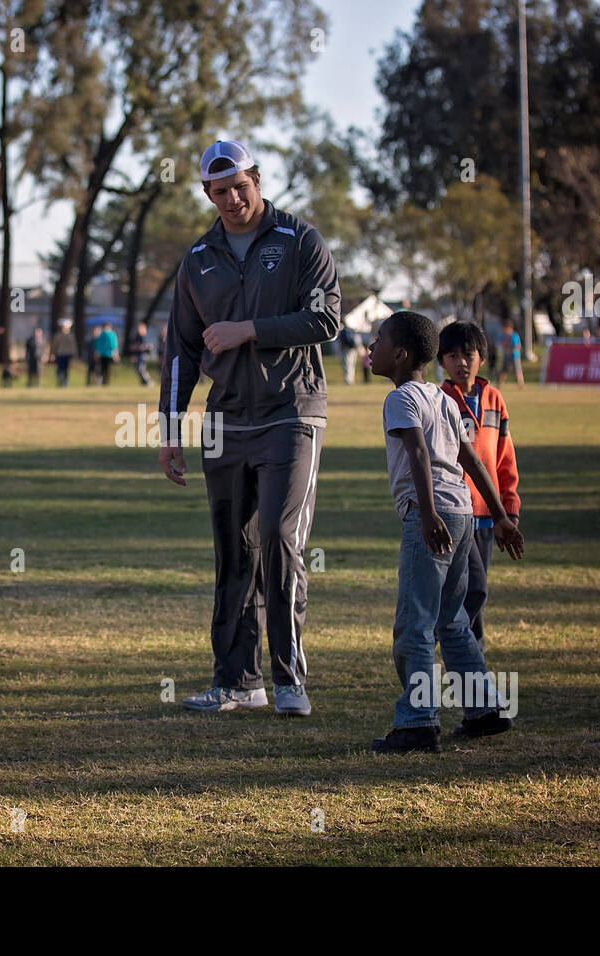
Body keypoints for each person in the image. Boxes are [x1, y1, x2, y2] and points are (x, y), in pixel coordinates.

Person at [158, 139, 341, 716]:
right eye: (220, 191)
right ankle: (238, 681)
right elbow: (181, 350)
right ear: (207, 195)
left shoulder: (299, 240)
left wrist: (248, 329)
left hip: (292, 411)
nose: (233, 198)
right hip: (226, 420)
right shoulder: (197, 260)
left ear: (257, 179)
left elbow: (327, 317)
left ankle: (289, 680)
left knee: (280, 541)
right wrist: (169, 428)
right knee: (234, 550)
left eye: (241, 185)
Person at [366, 311, 525, 754]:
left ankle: (417, 721)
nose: (370, 349)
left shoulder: (401, 399)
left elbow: (418, 451)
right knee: (451, 619)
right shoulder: (442, 397)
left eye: (377, 340)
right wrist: (500, 516)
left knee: (414, 622)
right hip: (463, 513)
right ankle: (485, 710)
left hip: (430, 514)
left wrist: (428, 513)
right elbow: (471, 460)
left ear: (400, 354)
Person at [437, 322, 521, 652]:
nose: (461, 362)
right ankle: (455, 642)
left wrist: (509, 509)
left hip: (489, 513)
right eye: (452, 355)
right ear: (441, 361)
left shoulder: (495, 399)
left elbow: (505, 458)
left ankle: (474, 642)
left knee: (476, 583)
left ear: (482, 358)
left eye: (468, 354)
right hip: (455, 512)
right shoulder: (440, 398)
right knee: (471, 586)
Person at [495, 318, 524, 389]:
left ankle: (521, 385)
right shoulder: (502, 335)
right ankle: (499, 385)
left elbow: (518, 346)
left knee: (517, 371)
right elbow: (499, 344)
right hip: (506, 356)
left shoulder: (514, 335)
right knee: (503, 371)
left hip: (515, 356)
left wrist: (510, 349)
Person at [51, 319, 76, 386]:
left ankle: (65, 382)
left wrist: (73, 354)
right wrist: (53, 354)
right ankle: (61, 381)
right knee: (60, 369)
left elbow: (73, 346)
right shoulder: (58, 336)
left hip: (67, 354)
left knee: (65, 369)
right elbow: (54, 345)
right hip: (60, 354)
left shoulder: (70, 336)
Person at [128, 320, 153, 386]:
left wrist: (138, 347)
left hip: (143, 355)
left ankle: (149, 381)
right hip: (138, 355)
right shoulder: (137, 337)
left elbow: (146, 346)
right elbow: (133, 346)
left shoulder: (145, 337)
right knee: (139, 369)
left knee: (141, 369)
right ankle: (144, 382)